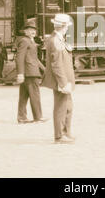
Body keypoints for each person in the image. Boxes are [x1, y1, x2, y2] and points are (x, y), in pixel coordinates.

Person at [41, 14, 75, 144]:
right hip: (62, 81)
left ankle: (66, 133)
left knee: (68, 107)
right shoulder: (55, 40)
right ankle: (59, 136)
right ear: (64, 27)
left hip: (65, 80)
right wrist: (63, 82)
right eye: (67, 26)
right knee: (61, 107)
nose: (67, 29)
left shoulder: (58, 39)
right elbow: (57, 64)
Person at [15, 19, 47, 124]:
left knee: (24, 96)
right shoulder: (25, 41)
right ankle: (38, 117)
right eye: (30, 29)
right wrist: (20, 73)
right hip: (30, 73)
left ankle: (22, 117)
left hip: (29, 72)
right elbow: (19, 57)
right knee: (35, 95)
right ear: (25, 31)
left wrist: (44, 69)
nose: (33, 31)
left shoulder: (31, 41)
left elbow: (35, 59)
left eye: (34, 29)